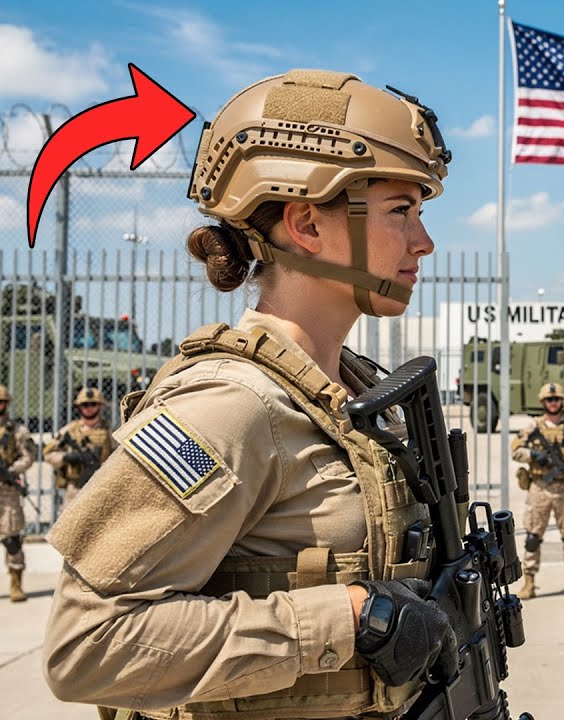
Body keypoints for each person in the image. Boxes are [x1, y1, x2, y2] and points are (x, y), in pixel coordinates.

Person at [42, 70, 462, 719]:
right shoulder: (231, 405)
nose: (424, 242)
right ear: (306, 224)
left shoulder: (354, 387)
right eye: (400, 212)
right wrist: (351, 620)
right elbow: (87, 645)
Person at [511, 382, 564, 600]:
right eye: (549, 400)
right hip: (539, 488)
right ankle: (529, 582)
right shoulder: (532, 429)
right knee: (533, 537)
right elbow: (515, 450)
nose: (553, 403)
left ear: (561, 402)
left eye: (556, 400)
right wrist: (534, 456)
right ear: (543, 402)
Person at [43, 387, 117, 506]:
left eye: (93, 404)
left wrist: (106, 467)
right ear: (79, 407)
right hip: (75, 488)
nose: (89, 408)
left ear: (100, 406)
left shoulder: (110, 431)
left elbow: (120, 456)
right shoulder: (69, 430)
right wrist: (65, 457)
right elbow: (48, 453)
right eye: (85, 404)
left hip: (103, 486)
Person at [0, 384, 36, 603]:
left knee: (12, 539)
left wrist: (12, 471)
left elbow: (28, 456)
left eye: (2, 402)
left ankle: (16, 584)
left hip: (7, 491)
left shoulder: (18, 431)